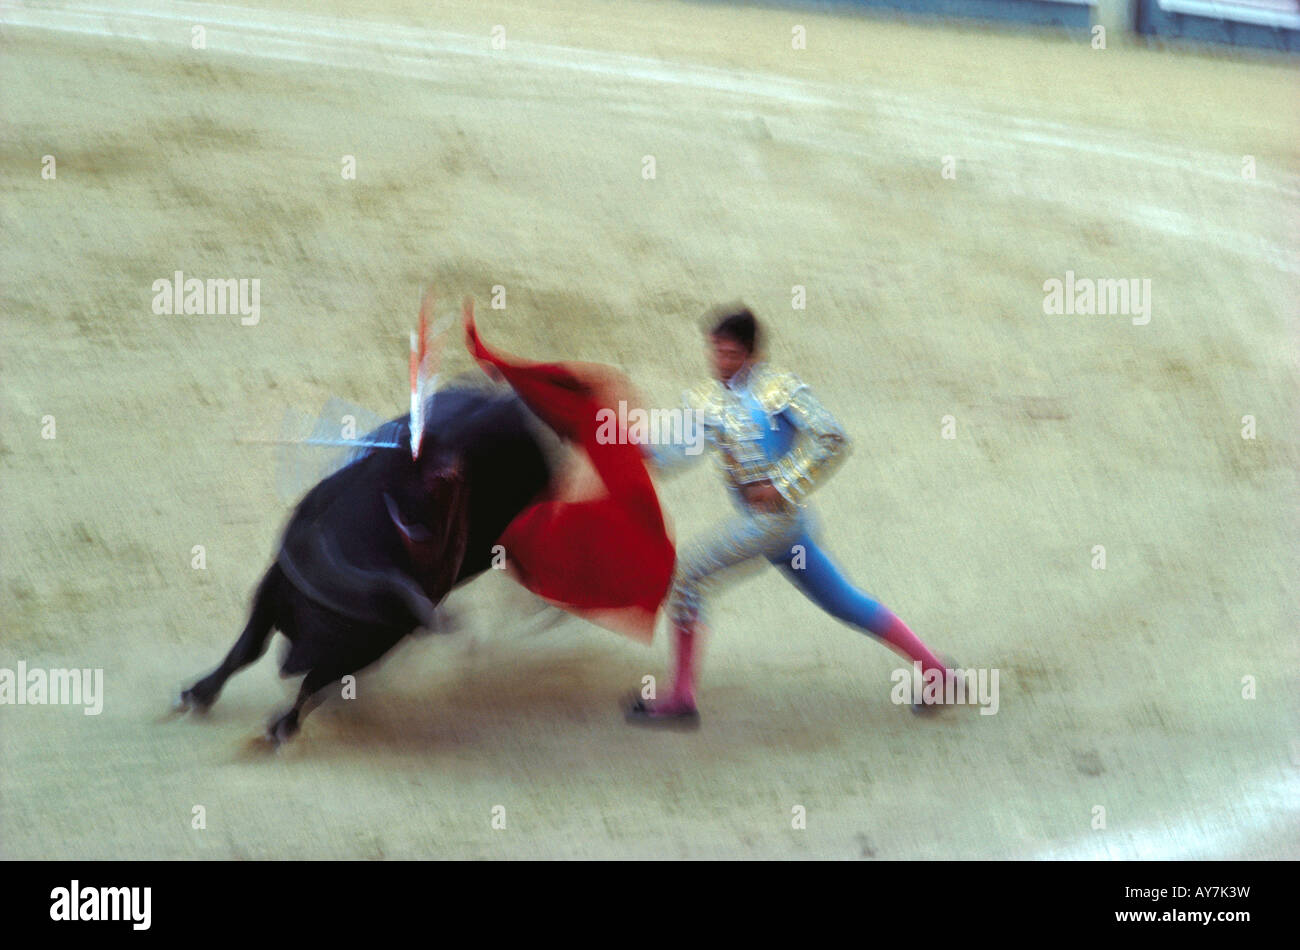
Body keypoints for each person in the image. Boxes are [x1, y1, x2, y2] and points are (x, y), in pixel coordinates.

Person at [626, 306, 952, 728]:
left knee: (687, 576)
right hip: (777, 528)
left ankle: (681, 698)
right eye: (717, 352)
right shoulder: (706, 398)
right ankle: (937, 673)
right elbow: (680, 452)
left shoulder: (780, 389)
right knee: (844, 603)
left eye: (730, 354)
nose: (721, 362)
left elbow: (833, 439)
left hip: (776, 520)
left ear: (752, 354)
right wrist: (635, 450)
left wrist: (780, 485)